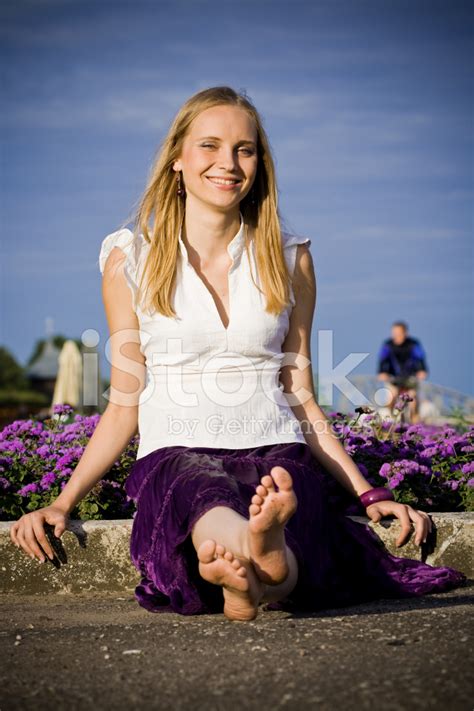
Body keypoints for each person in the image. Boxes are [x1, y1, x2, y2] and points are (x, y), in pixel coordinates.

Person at [10, 86, 466, 621]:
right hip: (176, 448)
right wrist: (62, 502)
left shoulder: (289, 258)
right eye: (210, 145)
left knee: (288, 504)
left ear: (259, 164)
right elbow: (123, 403)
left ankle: (249, 570)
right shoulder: (129, 258)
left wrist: (368, 494)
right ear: (177, 159)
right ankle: (251, 553)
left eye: (244, 149)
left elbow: (301, 398)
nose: (228, 162)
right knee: (197, 490)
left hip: (276, 444)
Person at [377, 321, 429, 423]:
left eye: (399, 333)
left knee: (412, 400)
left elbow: (420, 358)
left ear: (406, 333)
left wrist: (422, 370)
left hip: (410, 378)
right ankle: (392, 421)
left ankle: (414, 423)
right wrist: (382, 372)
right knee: (391, 397)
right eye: (394, 333)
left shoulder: (413, 344)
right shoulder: (387, 345)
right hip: (394, 378)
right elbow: (383, 359)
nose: (396, 336)